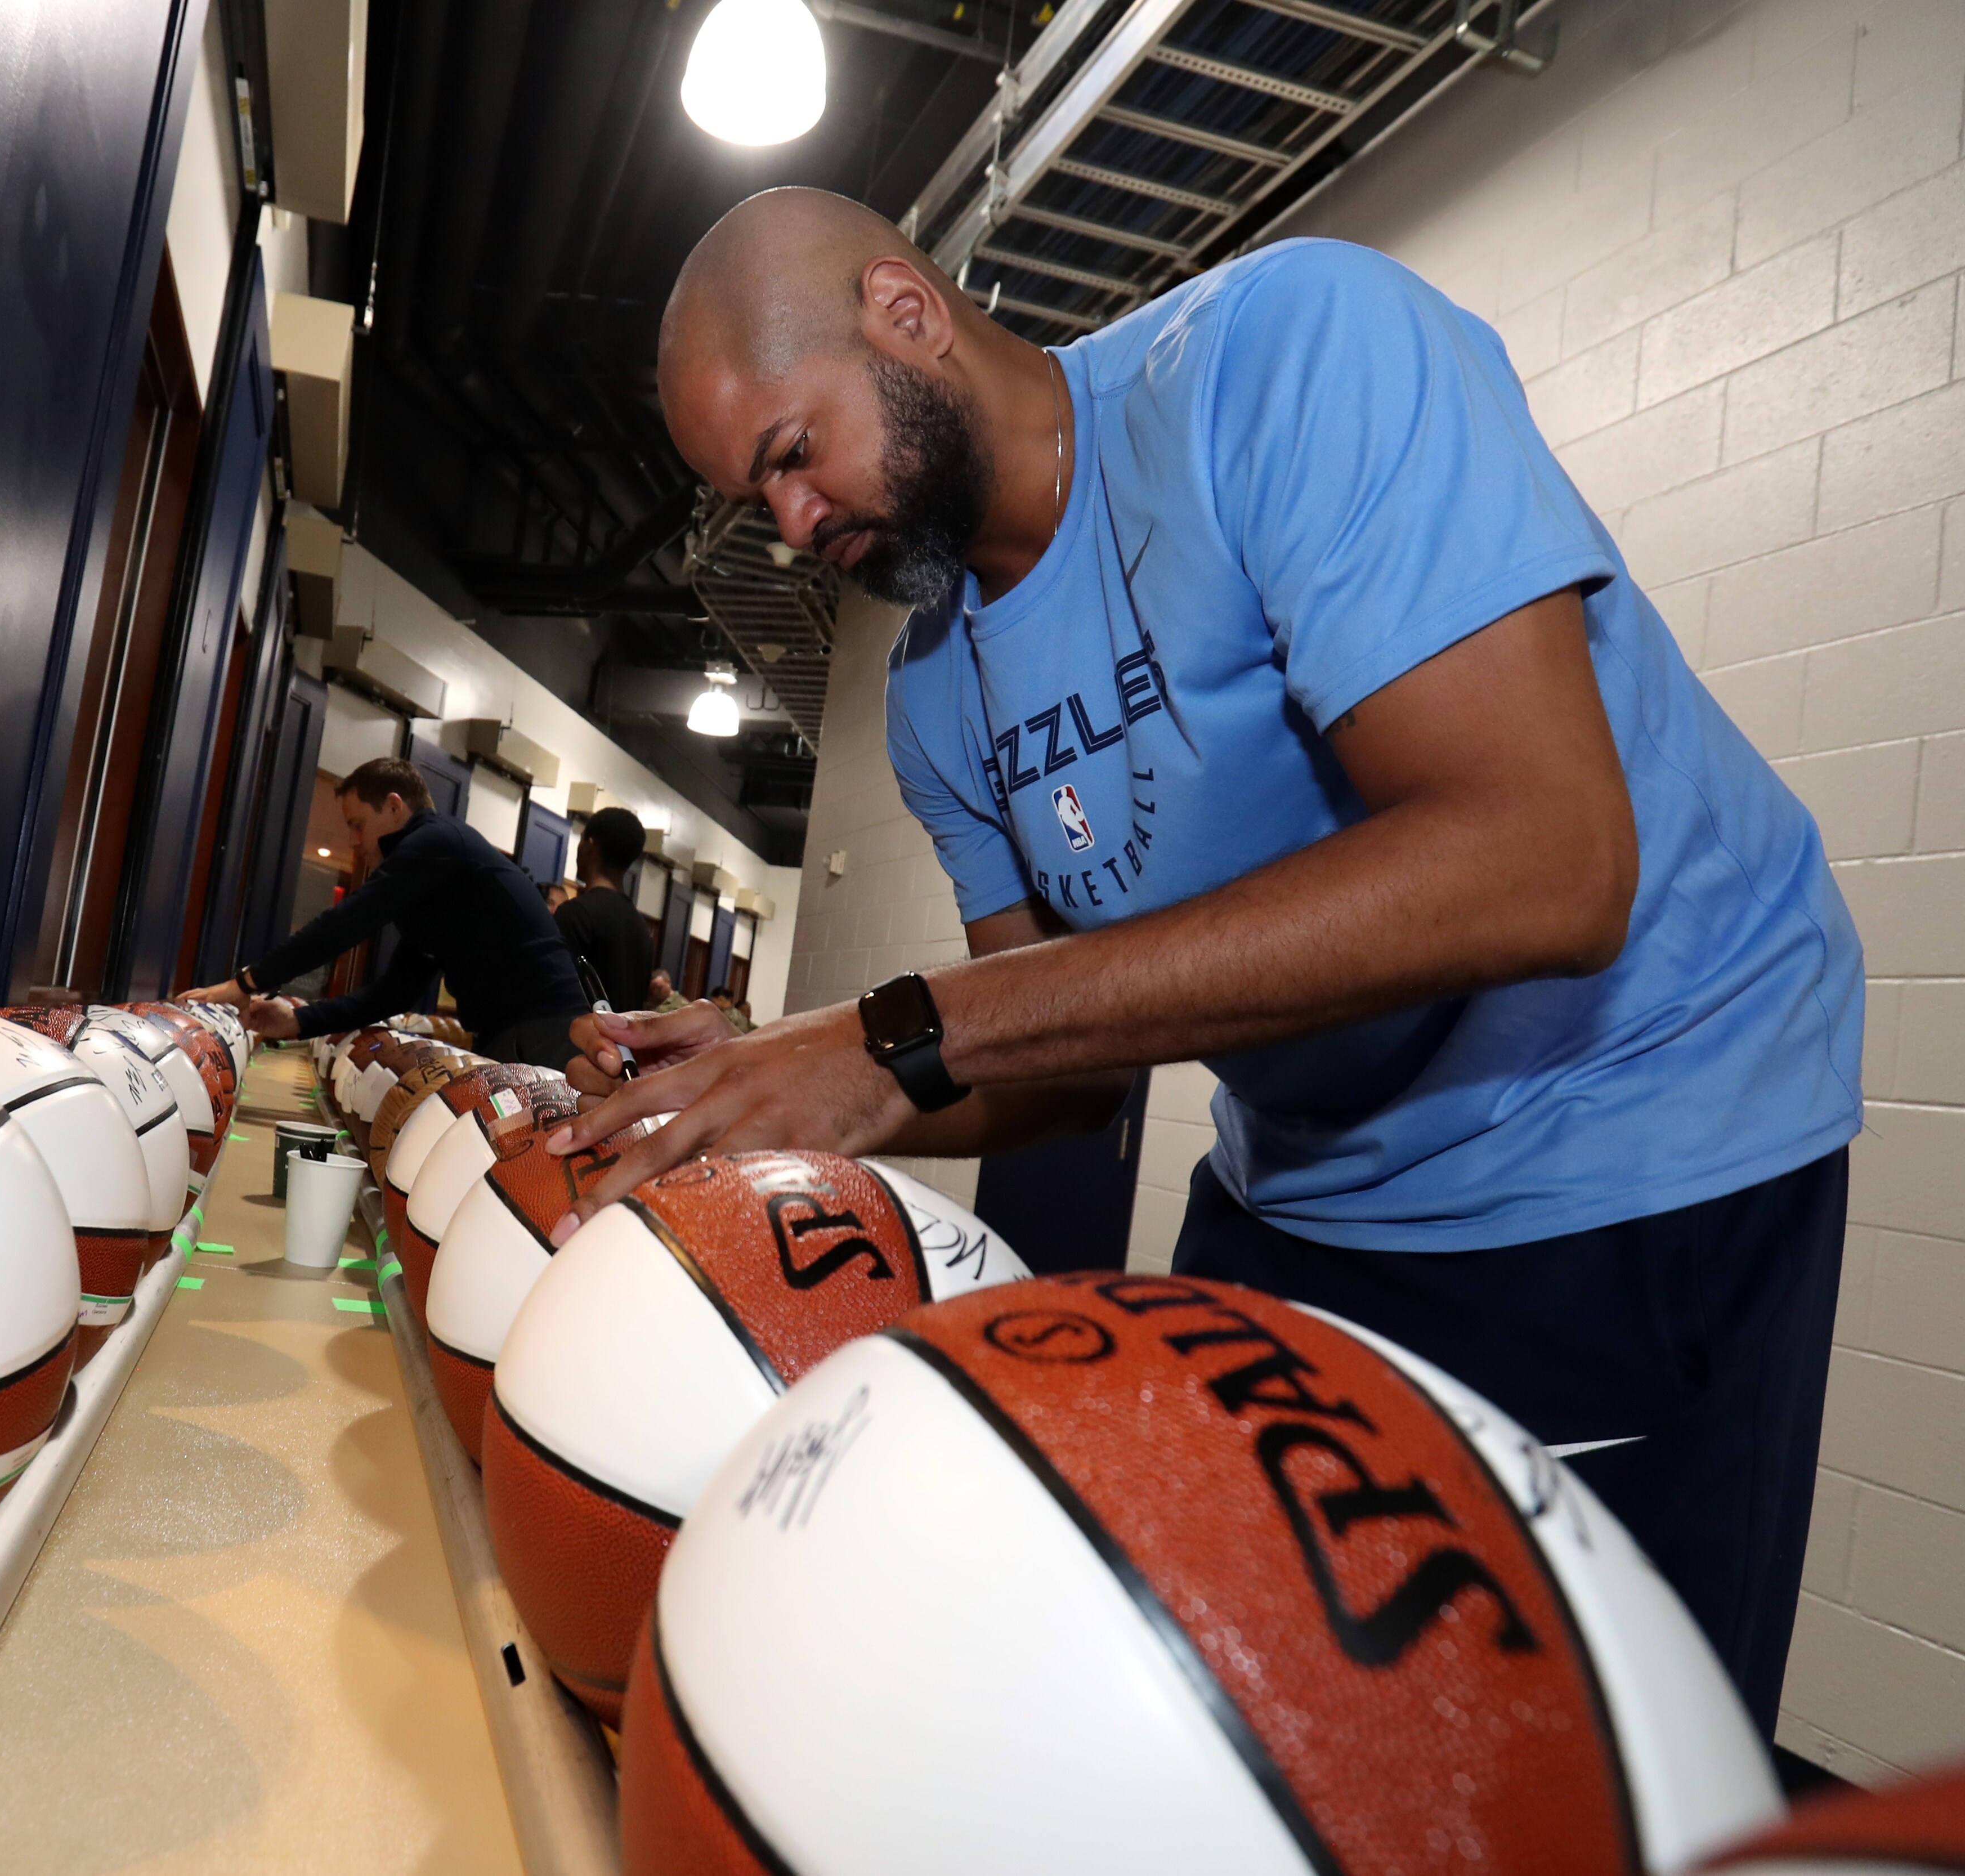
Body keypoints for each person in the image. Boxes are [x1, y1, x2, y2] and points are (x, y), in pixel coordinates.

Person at [549, 187, 1861, 1739]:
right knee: (1200, 1708)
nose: (794, 522)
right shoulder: (936, 693)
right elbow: (1065, 1068)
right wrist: (784, 1072)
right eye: (753, 494)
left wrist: (896, 1028)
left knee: (1566, 1767)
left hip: (1627, 1131)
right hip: (1302, 1184)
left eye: (789, 450)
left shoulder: (1282, 359)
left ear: (906, 311)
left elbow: (1544, 860)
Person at [184, 756, 590, 1069]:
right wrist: (297, 1021)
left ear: (395, 807)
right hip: (511, 1029)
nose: (354, 840)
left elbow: (345, 923)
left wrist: (247, 982)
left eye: (358, 824)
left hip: (545, 1027)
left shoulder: (437, 842)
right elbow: (391, 994)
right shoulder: (430, 887)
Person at [552, 806, 655, 1014]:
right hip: (622, 1046)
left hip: (579, 1043)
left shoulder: (576, 914)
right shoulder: (642, 929)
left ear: (590, 845)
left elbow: (553, 995)